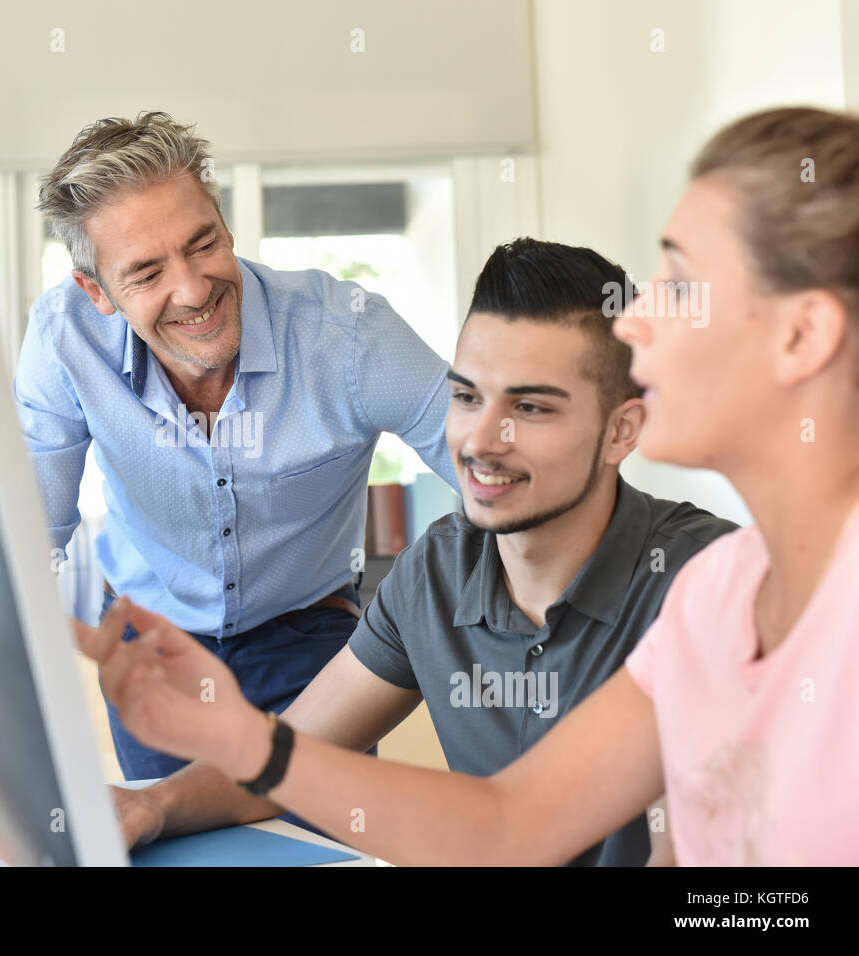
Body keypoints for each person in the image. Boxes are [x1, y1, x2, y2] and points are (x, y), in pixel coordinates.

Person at [82, 106, 859, 865]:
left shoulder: (715, 579)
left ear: (803, 336)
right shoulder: (722, 592)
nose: (634, 318)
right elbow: (514, 826)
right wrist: (234, 741)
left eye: (680, 286)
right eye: (466, 397)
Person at [92, 237, 736, 865]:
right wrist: (151, 806)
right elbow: (290, 757)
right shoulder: (437, 572)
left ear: (621, 430)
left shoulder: (711, 583)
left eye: (531, 407)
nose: (480, 441)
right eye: (467, 397)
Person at [15, 111, 458, 780]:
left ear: (224, 226)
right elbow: (24, 544)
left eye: (203, 245)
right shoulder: (63, 342)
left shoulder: (347, 338)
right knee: (165, 824)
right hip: (150, 644)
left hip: (312, 638)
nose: (194, 290)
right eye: (146, 274)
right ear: (96, 291)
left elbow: (494, 464)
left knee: (321, 829)